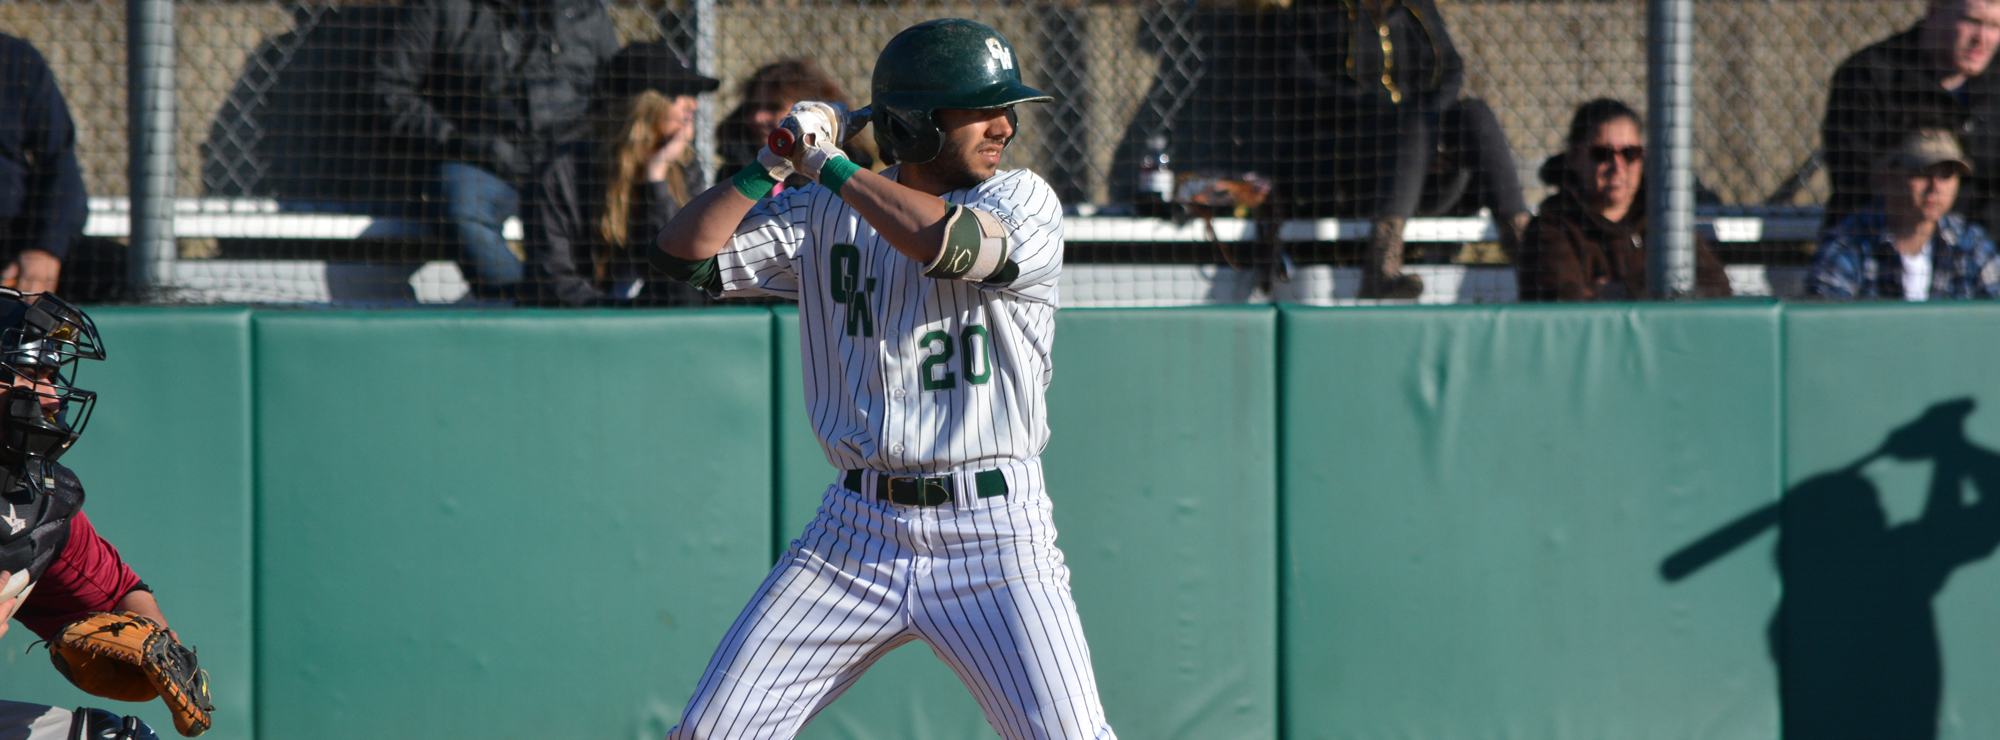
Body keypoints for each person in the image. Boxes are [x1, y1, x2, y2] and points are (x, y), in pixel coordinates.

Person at [649, 19, 1116, 740]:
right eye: (982, 110)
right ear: (918, 126)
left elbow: (950, 246)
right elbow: (684, 255)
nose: (1005, 126)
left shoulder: (1023, 201)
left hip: (994, 535)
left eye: (1007, 109)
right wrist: (775, 163)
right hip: (854, 535)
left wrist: (830, 165)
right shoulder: (822, 211)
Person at [1128, 0, 1528, 298]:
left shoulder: (1415, 8)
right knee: (1404, 118)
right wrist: (1383, 112)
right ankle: (1382, 262)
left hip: (1426, 169)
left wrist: (1429, 122)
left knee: (1473, 112)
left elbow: (1451, 69)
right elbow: (1299, 81)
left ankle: (1524, 242)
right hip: (1351, 172)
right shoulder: (1313, 10)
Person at [0, 290, 204, 739]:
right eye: (31, 373)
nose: (52, 396)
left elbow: (117, 596)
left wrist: (156, 647)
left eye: (53, 374)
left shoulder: (36, 495)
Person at [374, 0, 621, 300]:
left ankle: (587, 306)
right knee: (462, 206)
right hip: (481, 162)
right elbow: (389, 90)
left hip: (570, 165)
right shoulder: (444, 7)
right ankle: (521, 306)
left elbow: (617, 96)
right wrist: (458, 141)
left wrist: (585, 153)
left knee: (623, 201)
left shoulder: (585, 10)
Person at [525, 41, 719, 306]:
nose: (693, 106)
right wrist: (619, 317)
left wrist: (655, 180)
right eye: (679, 95)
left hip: (664, 325)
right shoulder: (565, 172)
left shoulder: (682, 167)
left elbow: (686, 273)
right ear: (642, 108)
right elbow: (553, 278)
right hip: (586, 325)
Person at [1515, 99, 1733, 301]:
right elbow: (1559, 301)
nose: (1618, 167)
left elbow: (1717, 289)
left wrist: (1626, 291)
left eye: (1630, 153)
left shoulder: (1665, 221)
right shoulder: (1553, 227)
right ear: (1574, 158)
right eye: (1602, 154)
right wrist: (1661, 290)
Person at [1823, 0, 2000, 231]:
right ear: (1934, 12)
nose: (1982, 39)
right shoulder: (1869, 75)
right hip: (1881, 241)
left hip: (1983, 247)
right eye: (1971, 21)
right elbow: (1856, 182)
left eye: (1995, 26)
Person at [1807, 128, 2000, 300]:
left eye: (1946, 174)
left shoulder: (1971, 244)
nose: (1935, 186)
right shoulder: (1847, 245)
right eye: (1922, 172)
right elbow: (1828, 328)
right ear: (1885, 176)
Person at [0, 34, 87, 296]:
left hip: (12, 243)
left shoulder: (16, 60)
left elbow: (60, 165)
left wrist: (45, 249)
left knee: (120, 271)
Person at [714, 58, 875, 188]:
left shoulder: (848, 175)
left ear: (811, 113)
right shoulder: (734, 172)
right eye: (753, 107)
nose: (758, 117)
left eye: (773, 107)